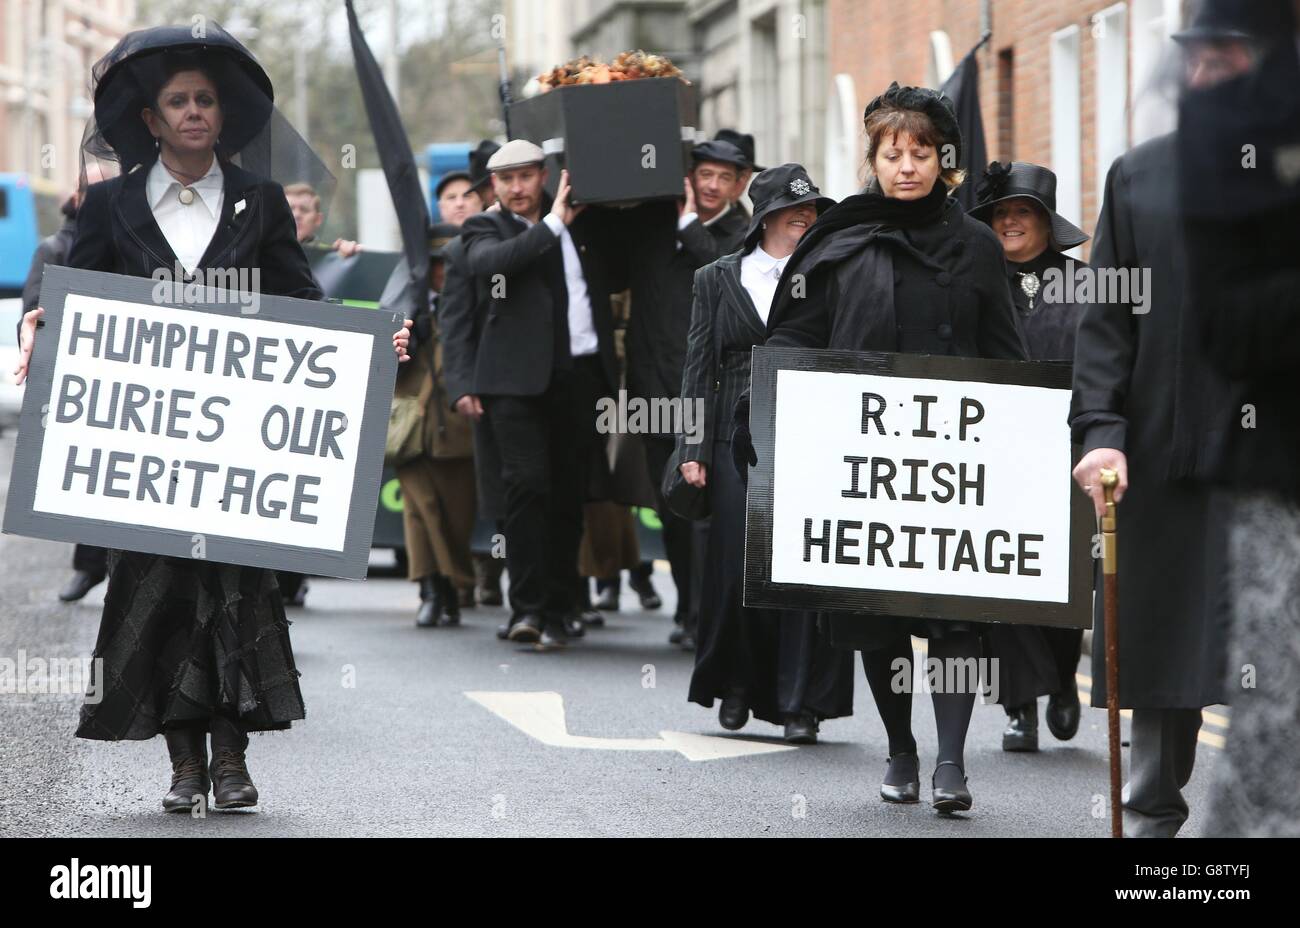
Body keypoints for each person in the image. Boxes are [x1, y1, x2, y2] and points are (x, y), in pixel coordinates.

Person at [13, 25, 411, 812]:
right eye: (177, 102)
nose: (194, 111)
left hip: (234, 450)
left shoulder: (259, 202)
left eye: (205, 100)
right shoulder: (110, 203)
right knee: (158, 600)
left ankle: (231, 761)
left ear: (222, 118)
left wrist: (366, 340)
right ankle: (183, 767)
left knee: (235, 597)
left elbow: (298, 296)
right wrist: (40, 322)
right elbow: (75, 289)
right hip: (146, 449)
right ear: (152, 121)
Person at [733, 83, 1028, 813]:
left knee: (958, 617)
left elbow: (1007, 354)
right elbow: (798, 335)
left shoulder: (978, 247)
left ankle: (953, 763)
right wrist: (760, 395)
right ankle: (900, 747)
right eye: (892, 153)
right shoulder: (838, 239)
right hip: (860, 470)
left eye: (920, 152)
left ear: (944, 161)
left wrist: (1035, 435)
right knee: (877, 619)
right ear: (872, 159)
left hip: (955, 468)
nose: (906, 166)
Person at [1067, 1, 1271, 836]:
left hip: (1274, 466)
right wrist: (1100, 434)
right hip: (1157, 452)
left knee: (1274, 648)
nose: (1211, 72)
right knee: (1160, 641)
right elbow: (1106, 323)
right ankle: (1152, 818)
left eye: (1234, 58)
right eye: (1201, 58)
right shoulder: (1140, 176)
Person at [1177, 0, 1300, 837]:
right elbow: (1228, 331)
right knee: (1274, 725)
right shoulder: (1222, 149)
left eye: (1222, 53)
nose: (1203, 70)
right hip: (1280, 474)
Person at [677, 163, 854, 743]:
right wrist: (692, 448)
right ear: (764, 216)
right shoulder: (715, 277)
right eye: (790, 209)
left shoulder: (832, 275)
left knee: (805, 567)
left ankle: (802, 702)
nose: (804, 217)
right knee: (735, 564)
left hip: (809, 435)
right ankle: (734, 688)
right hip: (732, 438)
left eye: (811, 210)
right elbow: (697, 369)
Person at [442, 141, 619, 649]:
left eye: (526, 176)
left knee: (568, 494)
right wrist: (462, 384)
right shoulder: (483, 229)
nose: (517, 188)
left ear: (546, 175)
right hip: (510, 384)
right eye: (506, 179)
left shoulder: (580, 223)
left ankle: (563, 607)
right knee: (526, 487)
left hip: (580, 376)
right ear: (492, 186)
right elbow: (493, 268)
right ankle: (528, 608)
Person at [610, 138, 751, 648]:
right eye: (705, 174)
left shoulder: (745, 233)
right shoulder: (651, 224)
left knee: (704, 508)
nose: (713, 186)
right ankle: (685, 610)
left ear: (740, 185)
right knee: (669, 503)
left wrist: (691, 228)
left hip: (708, 396)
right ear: (689, 176)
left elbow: (729, 281)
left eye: (724, 178)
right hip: (651, 389)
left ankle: (704, 617)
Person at [970, 161, 1090, 752]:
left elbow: (1109, 364)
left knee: (1063, 580)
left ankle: (1063, 677)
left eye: (1023, 212)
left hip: (1067, 450)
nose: (1010, 222)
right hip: (992, 453)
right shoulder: (972, 280)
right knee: (1002, 579)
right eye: (1000, 212)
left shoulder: (1088, 286)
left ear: (1046, 222)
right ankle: (1018, 706)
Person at [20, 165, 112, 604]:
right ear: (76, 197)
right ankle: (91, 565)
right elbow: (38, 311)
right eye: (93, 190)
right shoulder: (54, 248)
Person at [395, 222, 478, 627]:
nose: (442, 272)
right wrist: (405, 340)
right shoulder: (401, 303)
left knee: (454, 518)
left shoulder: (473, 301)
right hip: (409, 427)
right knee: (419, 509)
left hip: (458, 430)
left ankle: (452, 584)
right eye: (435, 264)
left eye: (448, 264)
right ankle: (428, 588)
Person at [285, 182, 360, 258]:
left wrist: (343, 258)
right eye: (289, 209)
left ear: (318, 219)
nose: (296, 215)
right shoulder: (272, 253)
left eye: (304, 210)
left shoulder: (328, 255)